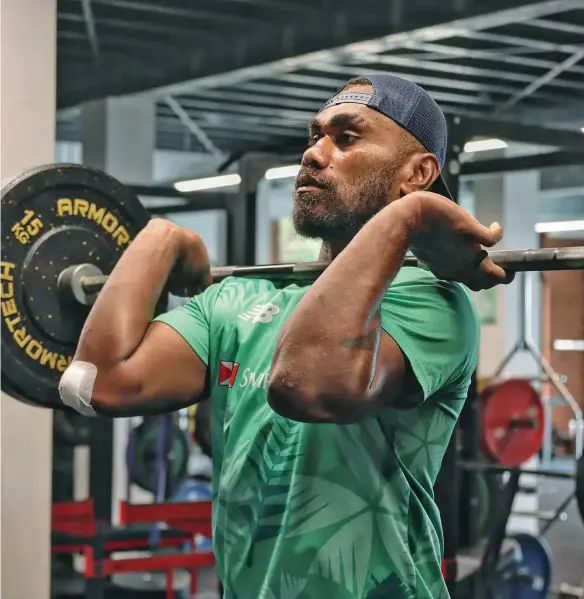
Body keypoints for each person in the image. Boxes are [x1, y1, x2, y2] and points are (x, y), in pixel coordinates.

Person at [60, 75, 512, 599]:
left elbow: (306, 386)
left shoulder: (431, 301)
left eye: (346, 138)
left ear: (418, 172)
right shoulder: (241, 299)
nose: (314, 154)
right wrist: (158, 239)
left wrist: (409, 217)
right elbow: (97, 384)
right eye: (315, 135)